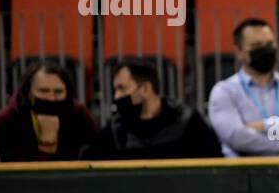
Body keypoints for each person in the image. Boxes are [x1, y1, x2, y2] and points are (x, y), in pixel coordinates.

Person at [207, 18, 279, 157]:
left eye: (269, 44)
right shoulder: (224, 91)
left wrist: (263, 126)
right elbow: (237, 137)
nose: (265, 50)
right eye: (256, 46)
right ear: (239, 52)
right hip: (247, 174)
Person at [82, 60, 222, 160]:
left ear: (145, 89)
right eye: (115, 90)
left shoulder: (187, 122)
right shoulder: (116, 130)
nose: (116, 96)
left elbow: (214, 164)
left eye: (122, 88)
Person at [0, 61, 98, 162]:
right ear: (28, 92)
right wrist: (47, 144)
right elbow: (15, 172)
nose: (51, 98)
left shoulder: (79, 113)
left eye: (58, 91)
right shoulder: (7, 119)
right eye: (43, 91)